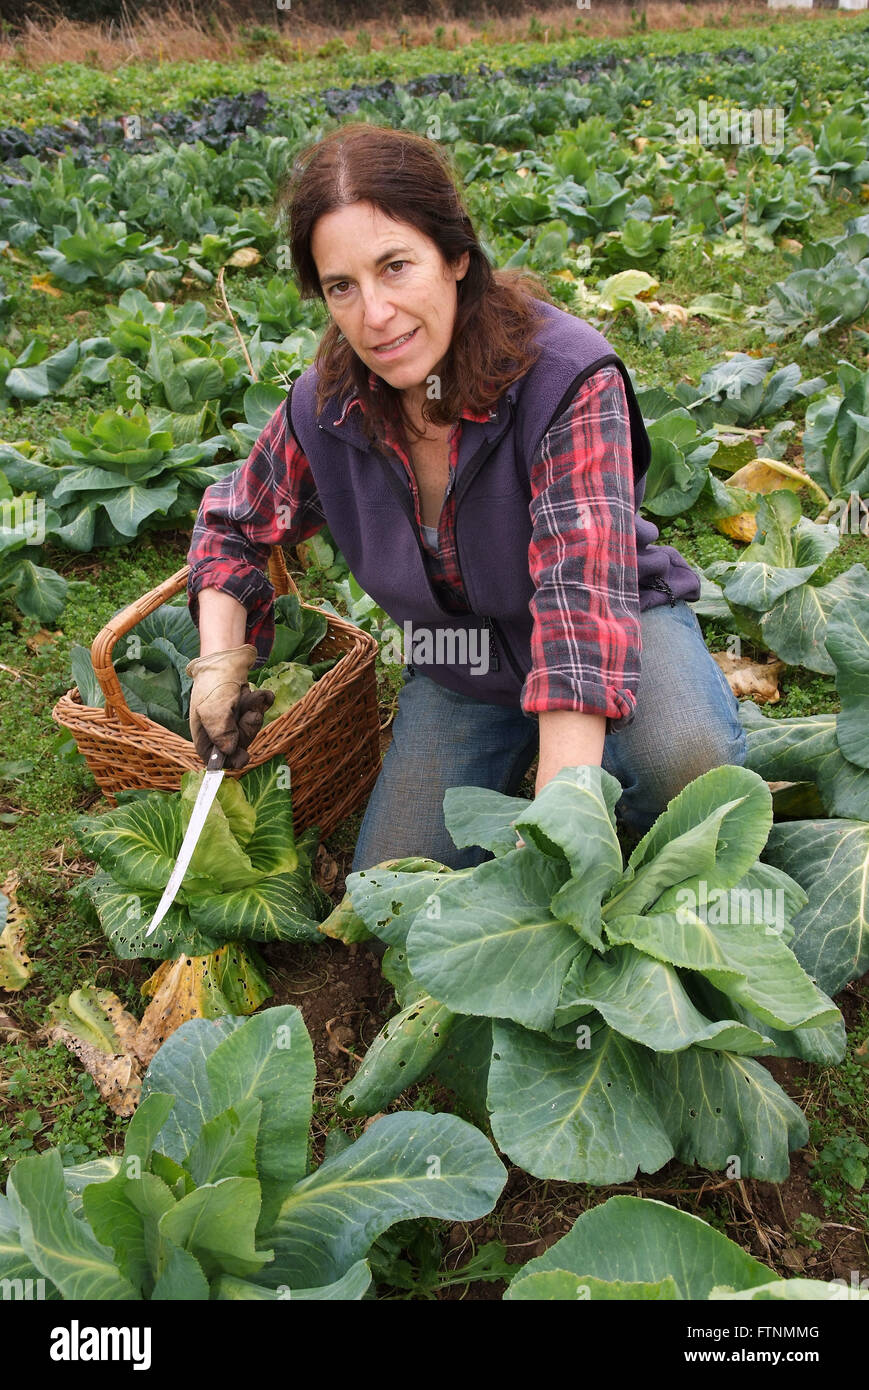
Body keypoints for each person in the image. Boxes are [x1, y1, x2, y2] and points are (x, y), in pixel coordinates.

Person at [185, 122, 746, 872]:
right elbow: (232, 522)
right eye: (341, 287)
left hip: (617, 623)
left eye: (395, 267)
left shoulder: (565, 379)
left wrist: (565, 798)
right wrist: (219, 664)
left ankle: (621, 786)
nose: (373, 314)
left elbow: (580, 602)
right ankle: (553, 759)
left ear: (455, 257)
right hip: (461, 664)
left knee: (689, 767)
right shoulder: (329, 406)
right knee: (394, 892)